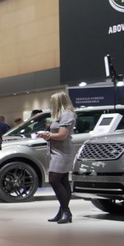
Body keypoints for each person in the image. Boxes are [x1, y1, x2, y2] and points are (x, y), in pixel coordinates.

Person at [36, 90, 77, 224]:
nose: (51, 104)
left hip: (63, 152)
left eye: (52, 102)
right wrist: (48, 135)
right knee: (63, 180)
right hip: (57, 151)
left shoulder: (67, 115)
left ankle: (66, 211)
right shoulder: (60, 115)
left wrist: (47, 135)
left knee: (54, 179)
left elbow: (62, 135)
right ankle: (62, 211)